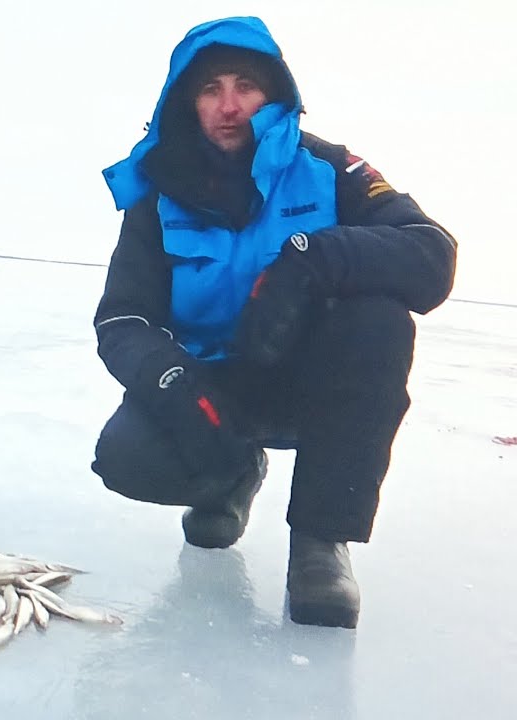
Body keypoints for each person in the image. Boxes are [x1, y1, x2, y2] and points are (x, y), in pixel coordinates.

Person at [91, 17, 456, 628]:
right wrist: (175, 383)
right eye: (210, 89)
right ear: (186, 99)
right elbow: (122, 319)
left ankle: (320, 543)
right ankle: (232, 477)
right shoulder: (158, 194)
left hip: (308, 379)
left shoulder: (331, 169)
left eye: (247, 86)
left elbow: (430, 255)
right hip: (210, 389)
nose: (229, 107)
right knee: (126, 456)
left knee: (382, 320)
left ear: (276, 93)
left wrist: (313, 258)